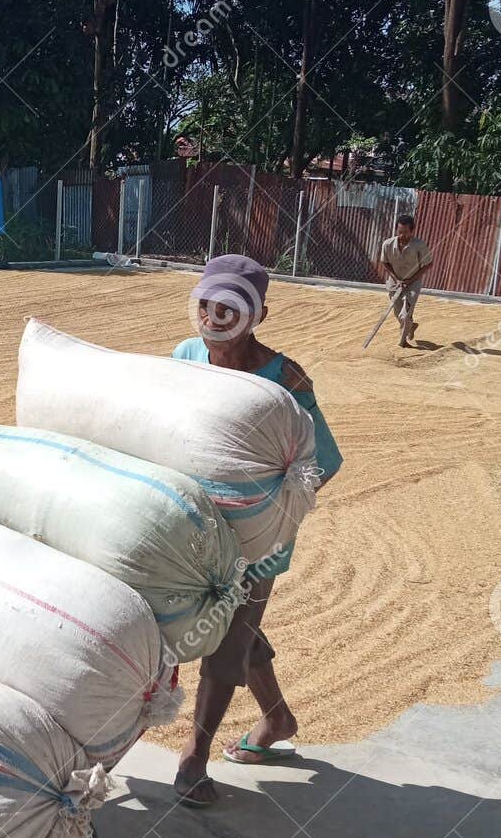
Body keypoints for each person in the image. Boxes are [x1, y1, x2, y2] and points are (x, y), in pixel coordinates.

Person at [170, 254, 343, 807]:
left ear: (258, 315)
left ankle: (193, 759)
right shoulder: (184, 358)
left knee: (225, 641)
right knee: (234, 628)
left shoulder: (285, 381)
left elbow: (324, 461)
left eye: (228, 307)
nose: (213, 317)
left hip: (261, 540)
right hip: (196, 529)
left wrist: (268, 513)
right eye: (205, 304)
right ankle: (277, 719)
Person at [379, 215, 433, 347]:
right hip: (394, 282)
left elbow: (428, 264)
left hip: (413, 283)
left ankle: (403, 342)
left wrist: (410, 280)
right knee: (398, 312)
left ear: (412, 231)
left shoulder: (419, 245)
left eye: (406, 232)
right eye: (400, 232)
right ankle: (411, 326)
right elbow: (385, 262)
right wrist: (396, 279)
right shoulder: (388, 244)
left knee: (406, 313)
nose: (402, 235)